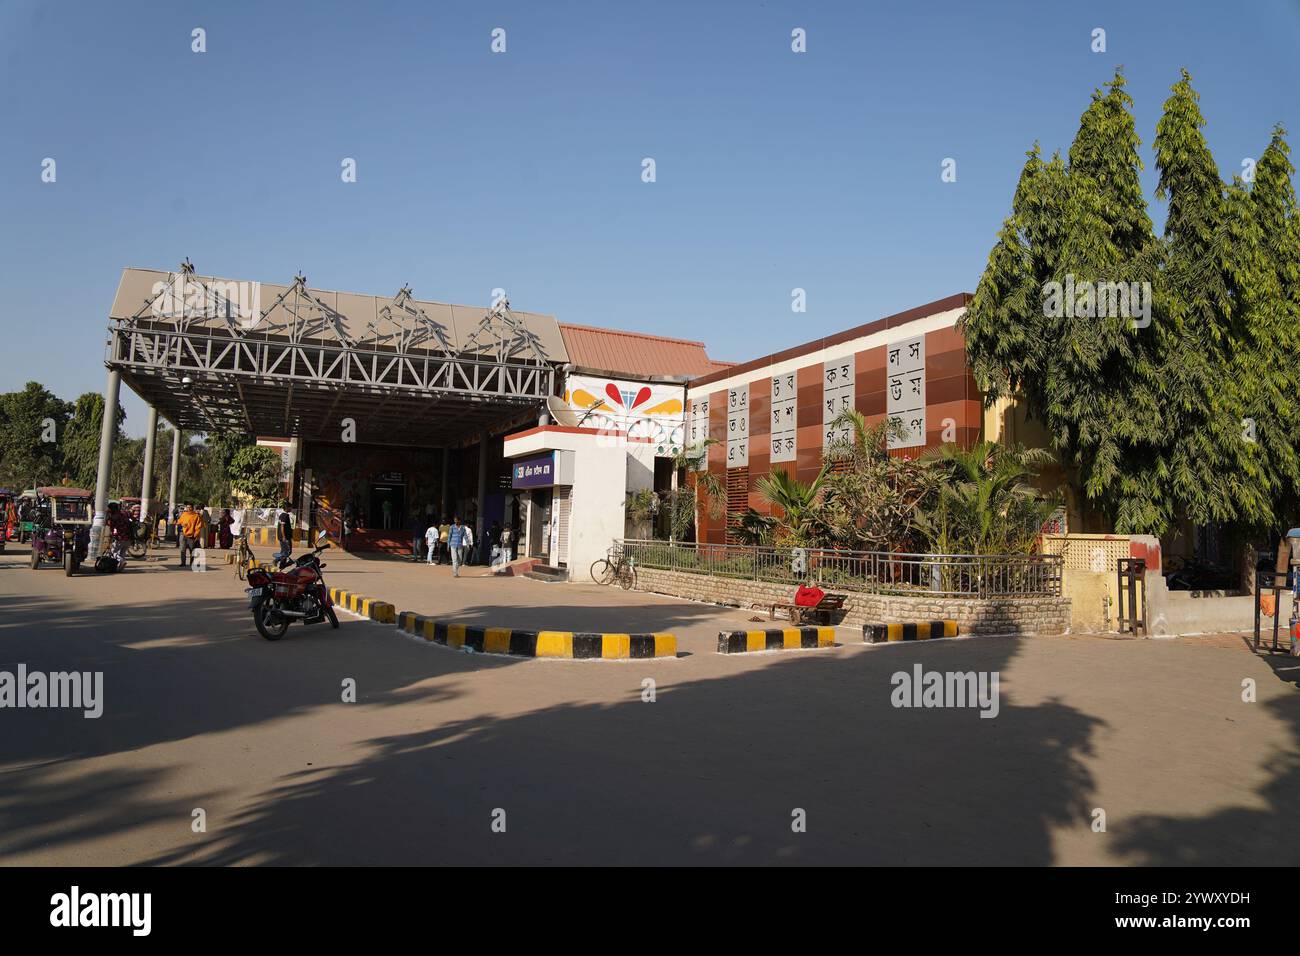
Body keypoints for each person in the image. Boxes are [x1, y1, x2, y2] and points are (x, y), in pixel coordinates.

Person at [276, 502, 294, 566]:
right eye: (290, 507)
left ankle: (281, 564)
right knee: (287, 551)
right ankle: (277, 560)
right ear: (287, 508)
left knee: (284, 551)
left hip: (284, 536)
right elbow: (282, 527)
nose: (291, 508)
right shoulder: (284, 515)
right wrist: (284, 537)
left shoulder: (282, 515)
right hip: (285, 537)